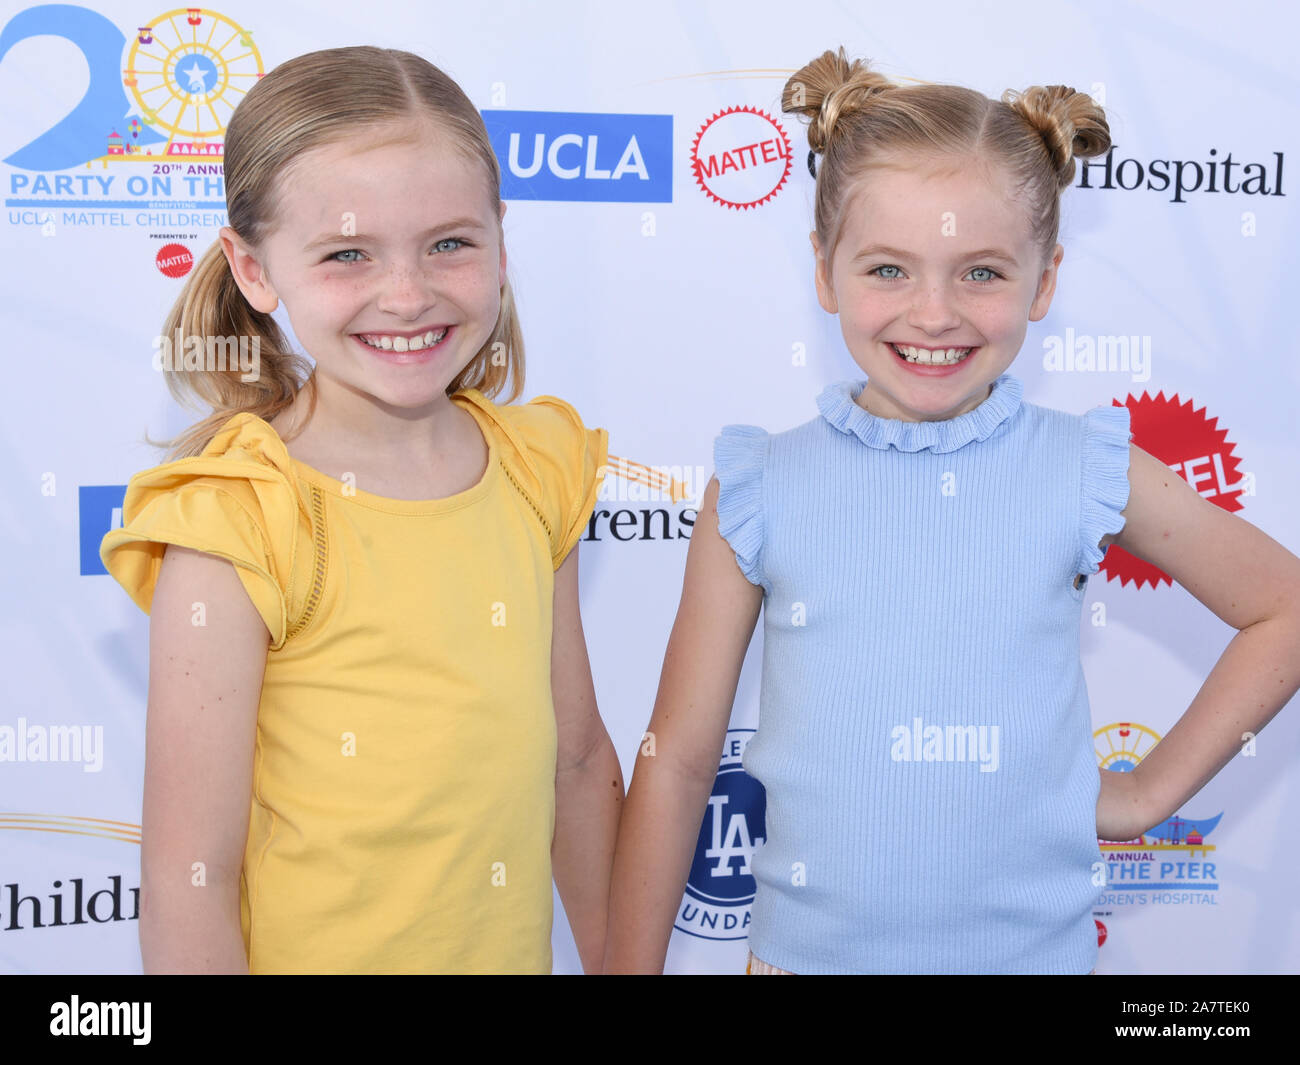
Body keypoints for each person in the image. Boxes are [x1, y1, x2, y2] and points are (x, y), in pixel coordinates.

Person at [604, 47, 1300, 974]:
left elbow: (1281, 607)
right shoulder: (762, 483)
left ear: (1045, 280)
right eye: (888, 269)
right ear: (824, 270)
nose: (934, 314)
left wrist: (1140, 794)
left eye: (980, 273)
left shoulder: (1080, 466)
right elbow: (680, 760)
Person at [100, 45, 621, 974]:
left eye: (449, 243)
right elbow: (191, 877)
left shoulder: (536, 469)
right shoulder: (240, 518)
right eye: (348, 254)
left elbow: (576, 764)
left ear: (501, 240)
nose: (408, 294)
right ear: (255, 271)